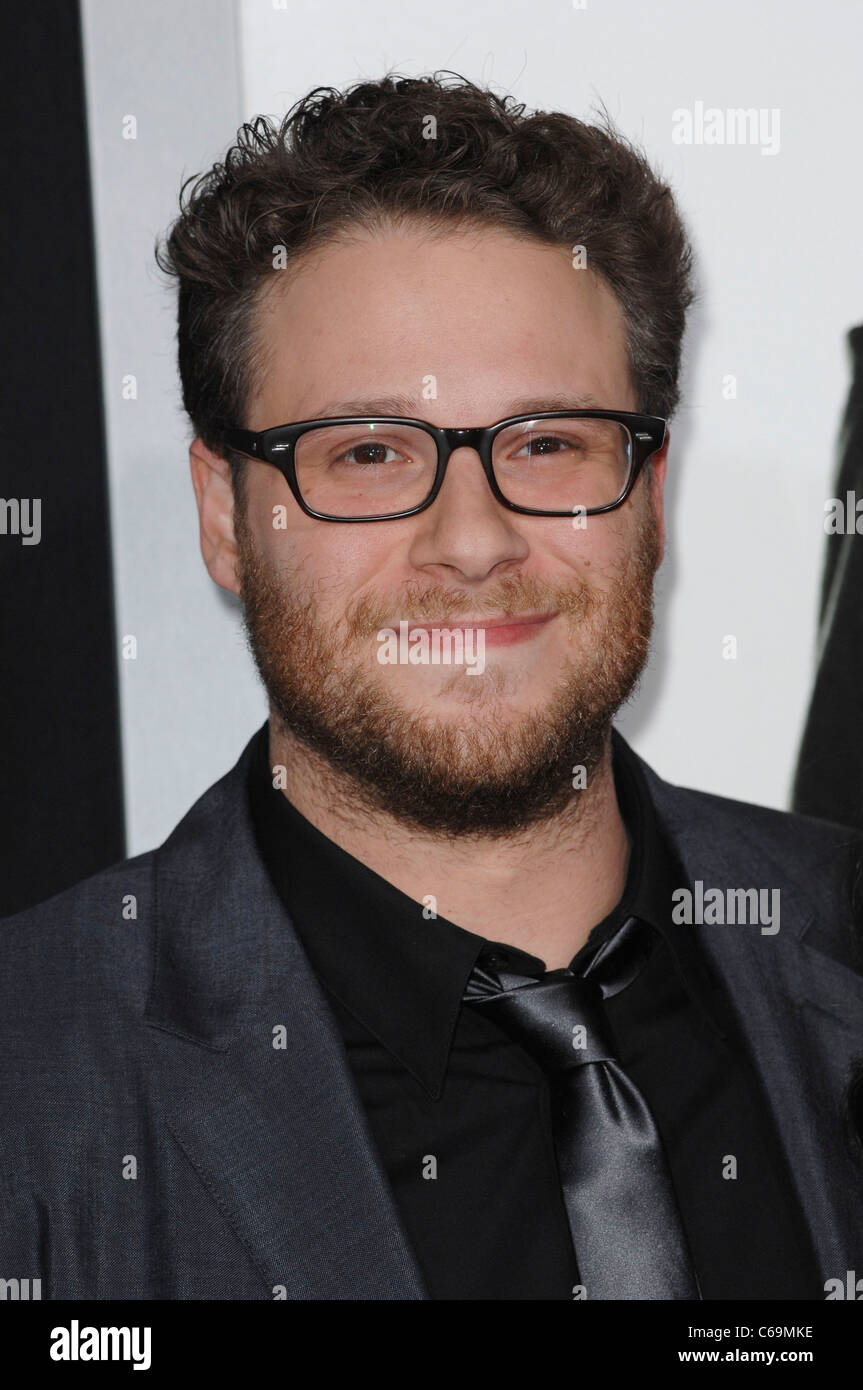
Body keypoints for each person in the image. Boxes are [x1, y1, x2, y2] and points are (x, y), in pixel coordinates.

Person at [2, 73, 863, 1302]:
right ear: (223, 516)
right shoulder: (31, 1071)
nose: (472, 539)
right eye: (366, 454)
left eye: (547, 443)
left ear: (647, 498)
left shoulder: (836, 934)